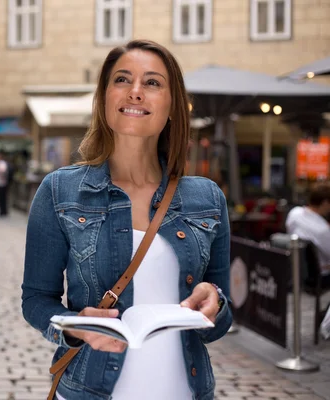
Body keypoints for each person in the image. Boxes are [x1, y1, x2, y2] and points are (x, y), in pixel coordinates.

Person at [21, 39, 232, 400]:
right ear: (104, 98)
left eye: (152, 83)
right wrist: (77, 329)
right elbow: (36, 300)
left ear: (172, 106)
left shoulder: (207, 198)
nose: (135, 92)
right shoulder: (60, 192)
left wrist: (215, 302)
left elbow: (218, 321)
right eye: (122, 79)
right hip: (87, 392)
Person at [286, 181, 330, 288]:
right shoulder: (323, 229)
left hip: (297, 270)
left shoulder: (294, 213)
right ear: (325, 203)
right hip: (320, 276)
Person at [0, 152, 12, 217]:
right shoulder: (2, 163)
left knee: (1, 198)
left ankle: (2, 211)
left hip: (1, 184)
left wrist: (1, 180)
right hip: (3, 184)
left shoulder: (1, 163)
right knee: (3, 198)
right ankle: (4, 211)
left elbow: (2, 172)